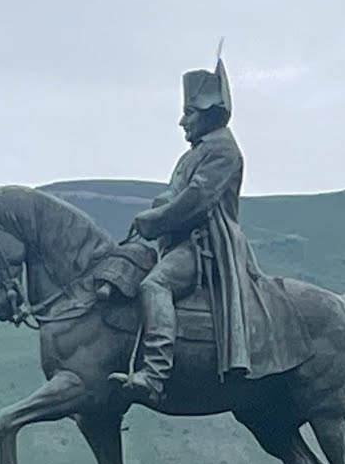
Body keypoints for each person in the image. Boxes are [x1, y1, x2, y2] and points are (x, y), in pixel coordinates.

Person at [108, 55, 262, 401]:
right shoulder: (194, 153)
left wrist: (154, 219)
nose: (181, 121)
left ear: (207, 113)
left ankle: (155, 372)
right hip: (179, 241)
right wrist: (158, 208)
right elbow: (175, 193)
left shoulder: (223, 150)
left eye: (189, 113)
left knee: (154, 285)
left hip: (206, 245)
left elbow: (196, 199)